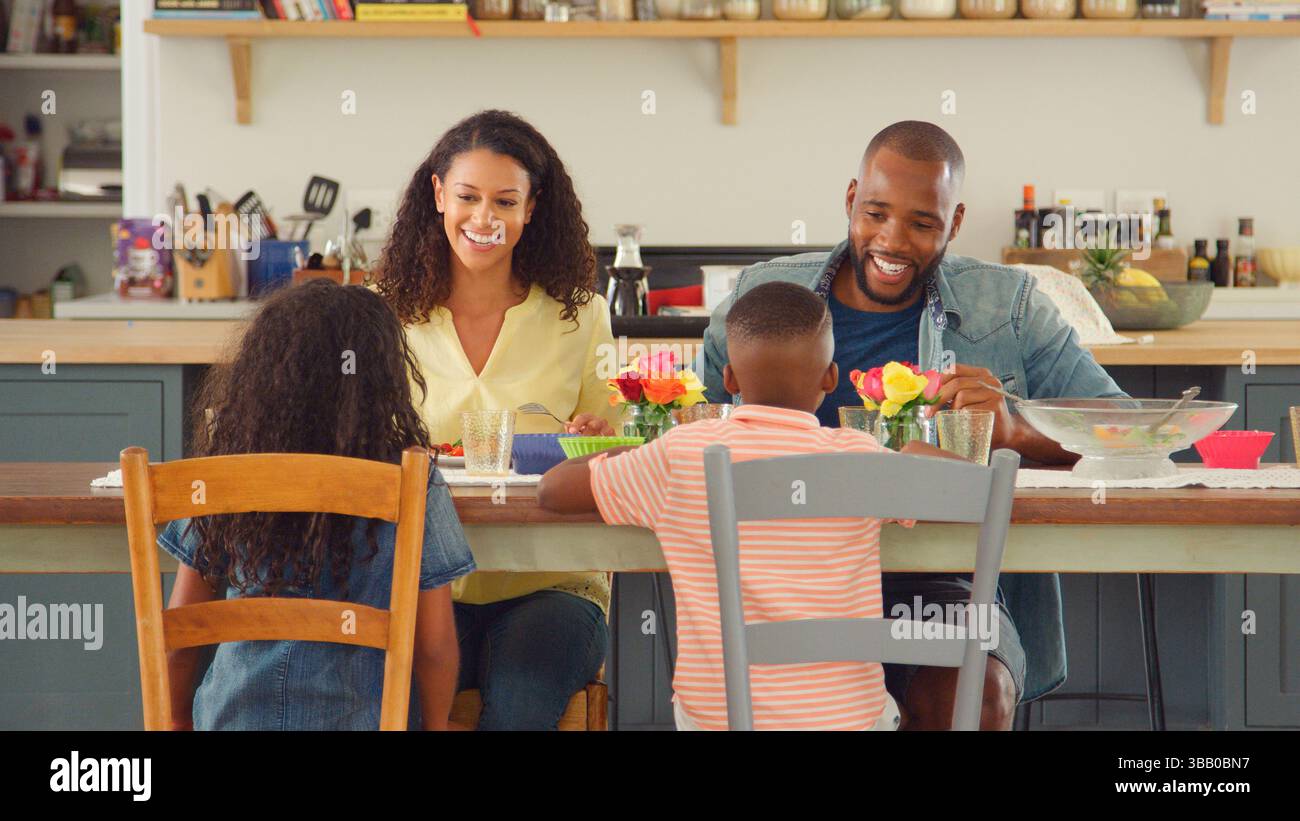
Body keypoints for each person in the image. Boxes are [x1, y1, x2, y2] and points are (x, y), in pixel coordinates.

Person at [700, 121, 1127, 729]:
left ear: (953, 224)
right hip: (790, 582)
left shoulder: (1008, 305)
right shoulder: (762, 296)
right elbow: (690, 438)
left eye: (922, 223)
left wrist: (1014, 433)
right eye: (875, 213)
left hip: (944, 585)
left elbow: (1126, 433)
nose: (891, 240)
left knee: (971, 693)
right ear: (851, 200)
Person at [538, 281, 964, 730]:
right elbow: (961, 483)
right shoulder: (858, 454)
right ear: (831, 378)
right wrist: (909, 450)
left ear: (729, 381)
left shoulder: (681, 453)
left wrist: (627, 452)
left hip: (719, 718)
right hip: (846, 719)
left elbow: (552, 491)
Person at [376, 110, 618, 729]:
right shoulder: (386, 316)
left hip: (551, 582)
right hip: (422, 581)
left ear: (532, 208)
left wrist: (596, 443)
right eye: (467, 197)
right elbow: (358, 450)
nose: (483, 219)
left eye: (505, 201)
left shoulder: (581, 316)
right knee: (388, 706)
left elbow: (617, 451)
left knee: (519, 706)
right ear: (437, 194)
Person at [161, 279, 475, 730]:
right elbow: (434, 647)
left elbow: (181, 637)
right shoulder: (409, 481)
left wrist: (172, 721)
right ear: (381, 379)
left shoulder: (222, 476)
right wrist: (437, 726)